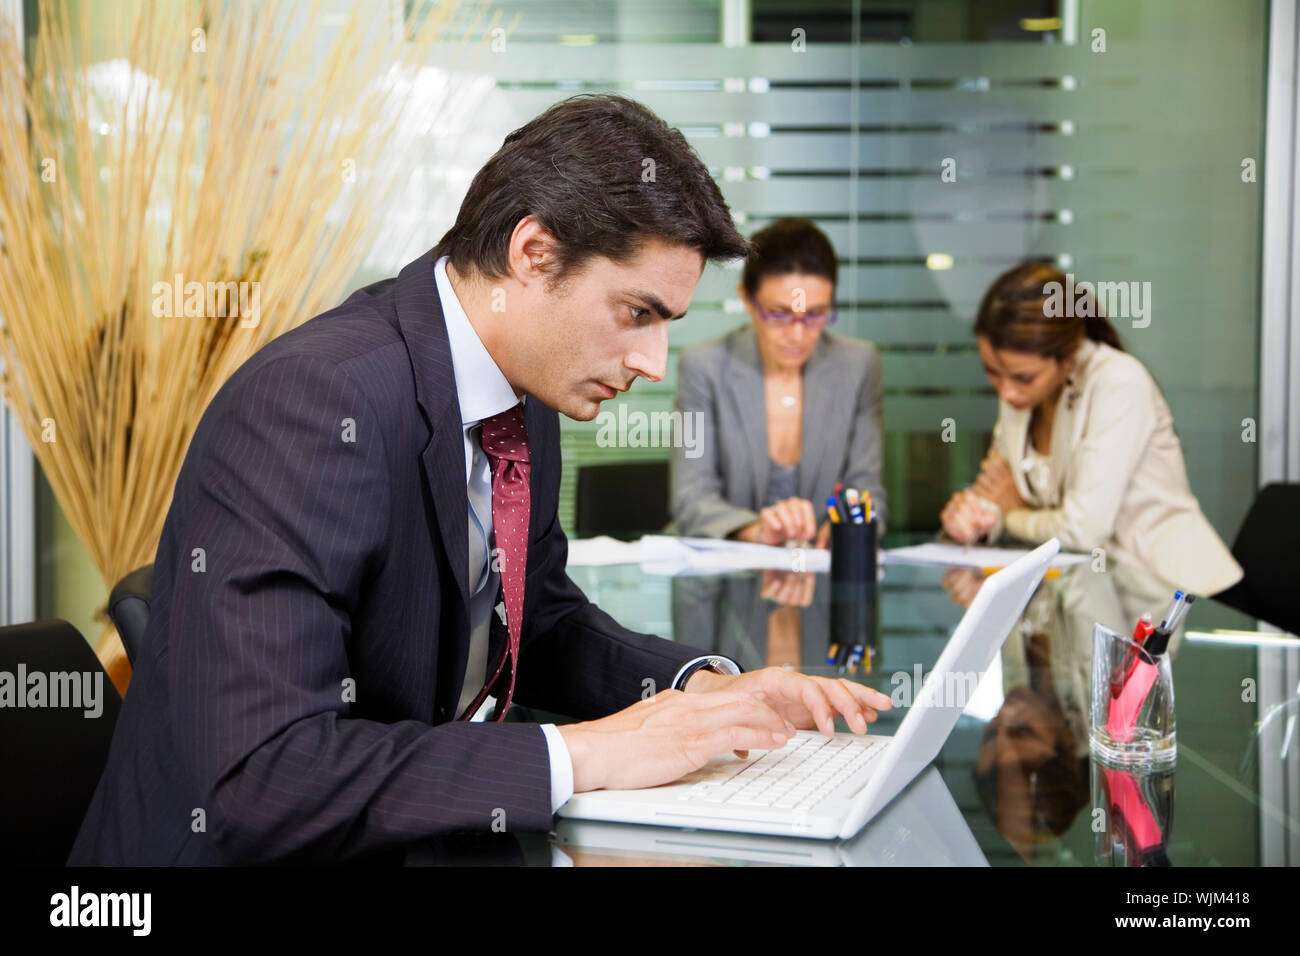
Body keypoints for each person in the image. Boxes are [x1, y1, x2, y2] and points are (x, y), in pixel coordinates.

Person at [69, 94, 891, 865]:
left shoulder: (524, 384)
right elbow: (263, 771)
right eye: (637, 313)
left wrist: (703, 690)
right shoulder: (316, 402)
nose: (652, 363)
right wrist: (586, 752)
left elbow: (537, 624)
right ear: (532, 254)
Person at [939, 262, 1242, 598]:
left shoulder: (1118, 383)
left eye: (1023, 378)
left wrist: (1010, 514)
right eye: (992, 372)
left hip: (1174, 596)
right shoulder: (1021, 392)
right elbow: (999, 489)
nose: (1006, 392)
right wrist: (976, 519)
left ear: (1067, 357)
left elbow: (1083, 530)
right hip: (1088, 598)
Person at [670, 217, 886, 547]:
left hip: (820, 576)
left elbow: (866, 490)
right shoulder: (703, 368)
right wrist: (756, 531)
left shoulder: (858, 366)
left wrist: (849, 528)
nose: (798, 335)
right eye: (780, 314)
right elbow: (691, 497)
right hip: (727, 582)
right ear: (746, 299)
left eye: (815, 314)